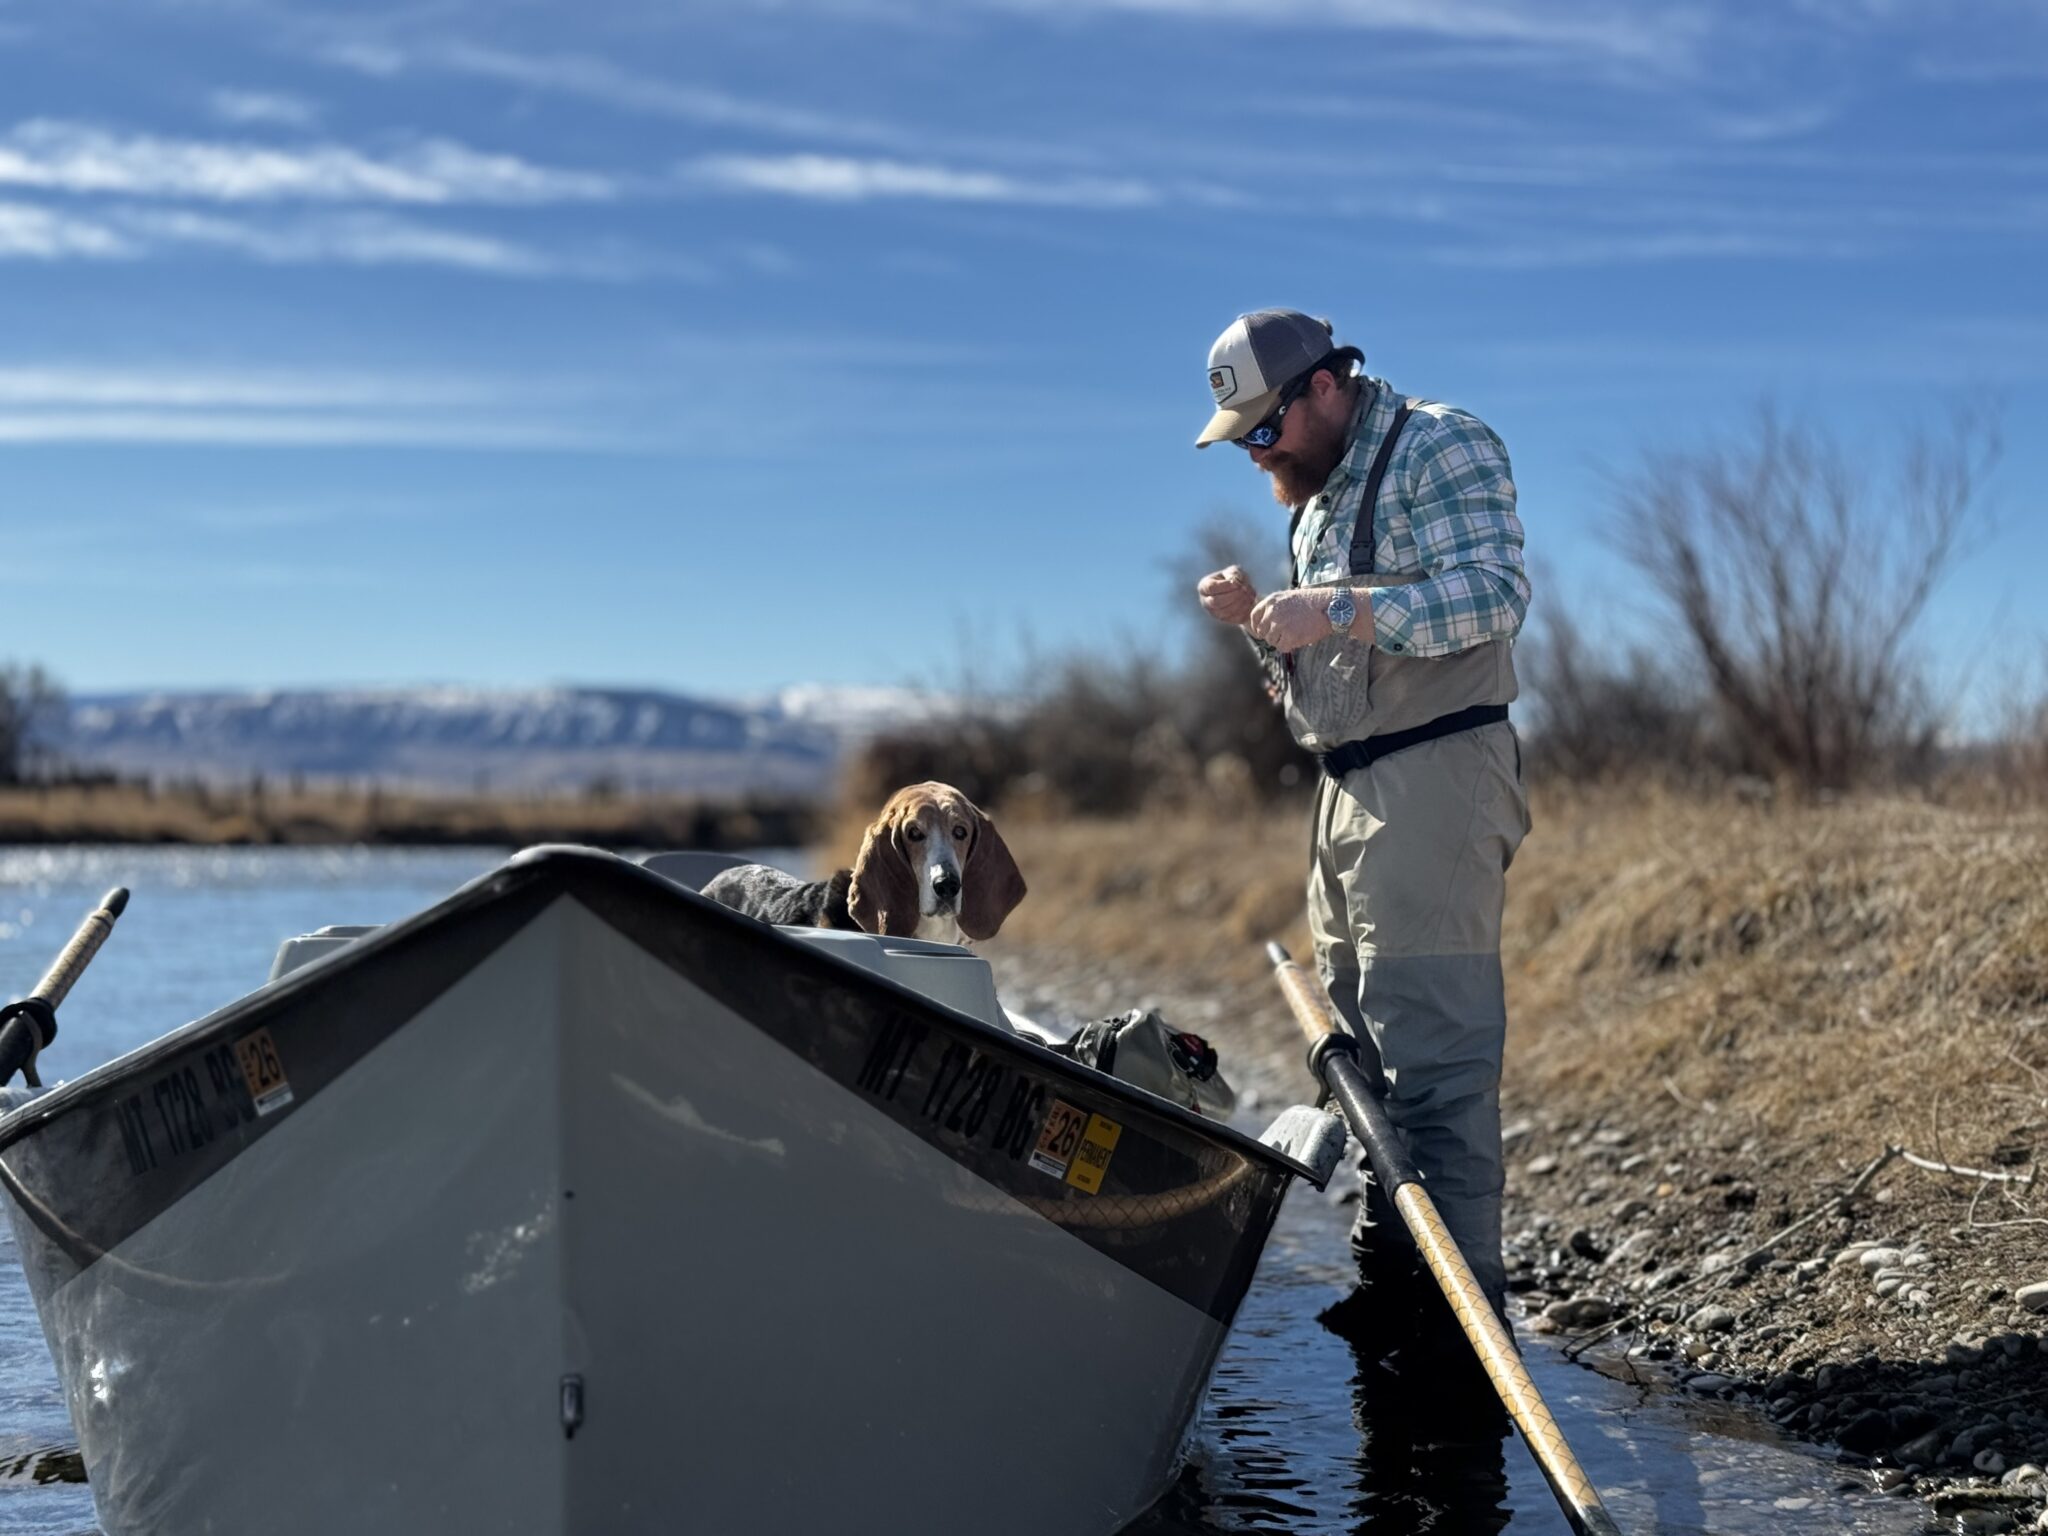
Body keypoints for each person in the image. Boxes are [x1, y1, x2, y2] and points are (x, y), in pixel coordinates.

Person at [1192, 308, 1531, 1360]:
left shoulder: (1441, 442)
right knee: (1356, 1056)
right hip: (1343, 795)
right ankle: (1395, 1287)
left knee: (1431, 1050)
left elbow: (1493, 595)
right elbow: (1320, 690)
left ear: (1323, 389)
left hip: (1437, 777)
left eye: (1263, 432)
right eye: (1242, 442)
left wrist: (1329, 609)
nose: (1257, 458)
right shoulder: (1317, 498)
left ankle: (1460, 1327)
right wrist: (1264, 625)